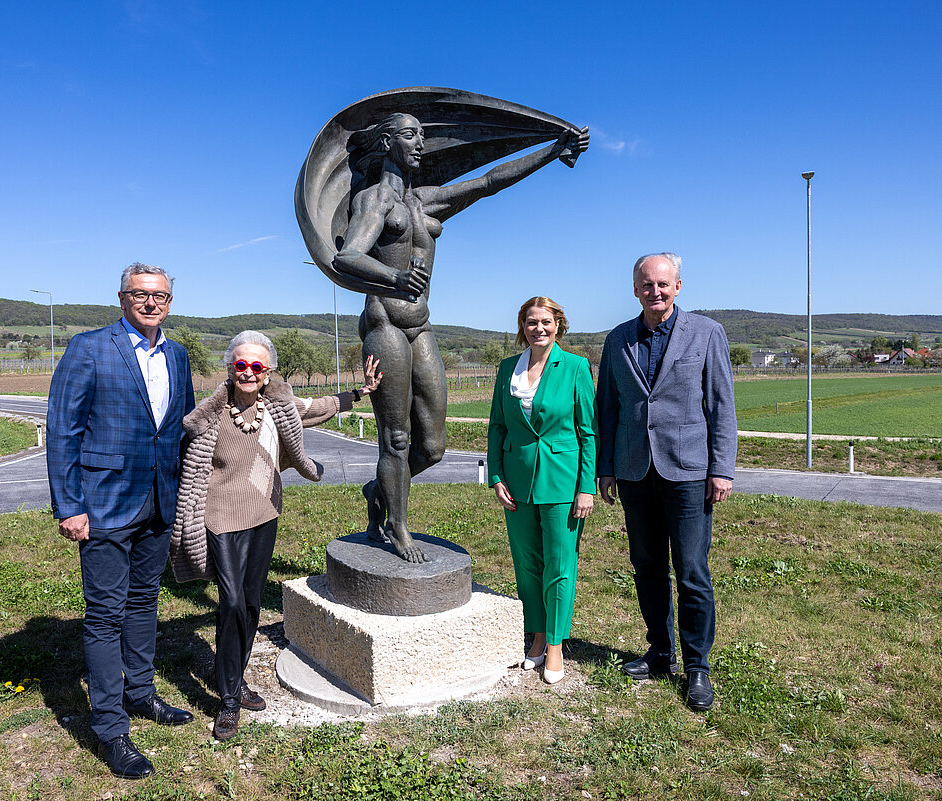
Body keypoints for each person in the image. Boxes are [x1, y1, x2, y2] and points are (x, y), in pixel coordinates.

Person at [334, 112, 590, 563]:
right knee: (395, 439)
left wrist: (551, 152)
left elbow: (489, 181)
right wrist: (394, 277)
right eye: (412, 135)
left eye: (424, 136)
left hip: (421, 326)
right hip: (385, 325)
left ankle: (379, 489)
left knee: (431, 446)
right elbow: (348, 257)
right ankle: (398, 527)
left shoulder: (425, 201)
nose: (421, 144)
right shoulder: (374, 201)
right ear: (387, 141)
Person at [169, 331, 382, 740]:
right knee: (230, 601)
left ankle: (236, 679)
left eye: (256, 367)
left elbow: (318, 407)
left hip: (264, 512)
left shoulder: (277, 408)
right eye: (240, 365)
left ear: (268, 374)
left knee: (250, 602)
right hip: (218, 515)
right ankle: (228, 701)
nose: (248, 372)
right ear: (230, 369)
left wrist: (361, 391)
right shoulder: (211, 412)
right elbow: (182, 456)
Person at [46, 263, 196, 779]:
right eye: (140, 294)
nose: (151, 303)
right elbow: (62, 431)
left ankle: (142, 695)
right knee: (105, 614)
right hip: (104, 504)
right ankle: (110, 728)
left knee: (142, 603)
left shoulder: (176, 354)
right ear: (122, 297)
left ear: (170, 302)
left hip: (158, 502)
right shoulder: (89, 348)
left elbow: (181, 431)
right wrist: (70, 506)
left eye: (160, 296)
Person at [595, 252, 738, 712]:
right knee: (648, 568)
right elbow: (609, 408)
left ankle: (697, 667)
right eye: (645, 284)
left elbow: (720, 404)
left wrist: (722, 468)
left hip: (689, 472)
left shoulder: (707, 333)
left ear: (678, 286)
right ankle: (660, 652)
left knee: (692, 572)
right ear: (635, 289)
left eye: (662, 284)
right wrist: (606, 466)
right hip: (635, 471)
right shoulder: (618, 339)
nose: (654, 291)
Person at [487, 297, 597, 685]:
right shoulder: (506, 370)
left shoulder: (576, 367)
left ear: (558, 325)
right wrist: (496, 477)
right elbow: (497, 427)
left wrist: (586, 487)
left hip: (562, 483)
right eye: (531, 322)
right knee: (527, 565)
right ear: (523, 326)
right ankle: (535, 637)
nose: (539, 329)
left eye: (546, 322)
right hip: (516, 484)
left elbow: (587, 432)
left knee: (559, 566)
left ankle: (554, 646)